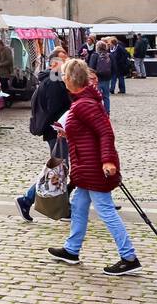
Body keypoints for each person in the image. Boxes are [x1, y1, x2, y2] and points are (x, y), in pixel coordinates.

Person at [47, 58, 140, 276]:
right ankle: (71, 249)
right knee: (78, 206)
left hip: (94, 167)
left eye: (64, 76)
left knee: (106, 210)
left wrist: (107, 161)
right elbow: (88, 132)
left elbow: (105, 132)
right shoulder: (83, 101)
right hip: (86, 167)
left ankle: (129, 256)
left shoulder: (84, 104)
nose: (63, 80)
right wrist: (68, 132)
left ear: (71, 79)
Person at [15, 48, 71, 222]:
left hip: (57, 130)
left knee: (61, 168)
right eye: (63, 60)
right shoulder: (54, 82)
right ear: (54, 63)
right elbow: (54, 109)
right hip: (57, 131)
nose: (66, 63)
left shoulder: (55, 79)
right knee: (58, 169)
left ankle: (61, 205)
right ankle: (27, 199)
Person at [86, 40, 113, 114]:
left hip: (97, 78)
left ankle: (99, 112)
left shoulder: (95, 55)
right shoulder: (109, 55)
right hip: (107, 78)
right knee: (106, 96)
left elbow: (91, 67)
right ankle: (107, 111)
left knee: (97, 96)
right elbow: (113, 67)